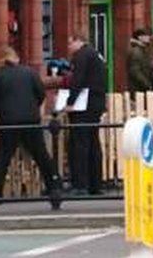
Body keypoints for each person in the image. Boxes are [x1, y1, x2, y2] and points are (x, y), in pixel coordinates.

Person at [0, 47, 60, 203]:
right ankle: (54, 187)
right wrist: (32, 107)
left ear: (2, 60)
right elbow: (40, 93)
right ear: (15, 58)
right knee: (42, 156)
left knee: (2, 159)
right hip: (30, 119)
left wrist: (1, 108)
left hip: (8, 121)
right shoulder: (30, 72)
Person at [65, 34, 107, 196]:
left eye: (70, 42)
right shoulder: (95, 54)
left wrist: (70, 102)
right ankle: (95, 184)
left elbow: (78, 80)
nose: (68, 47)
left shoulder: (81, 56)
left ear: (78, 41)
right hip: (96, 103)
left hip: (84, 106)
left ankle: (81, 185)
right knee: (93, 143)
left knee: (79, 144)